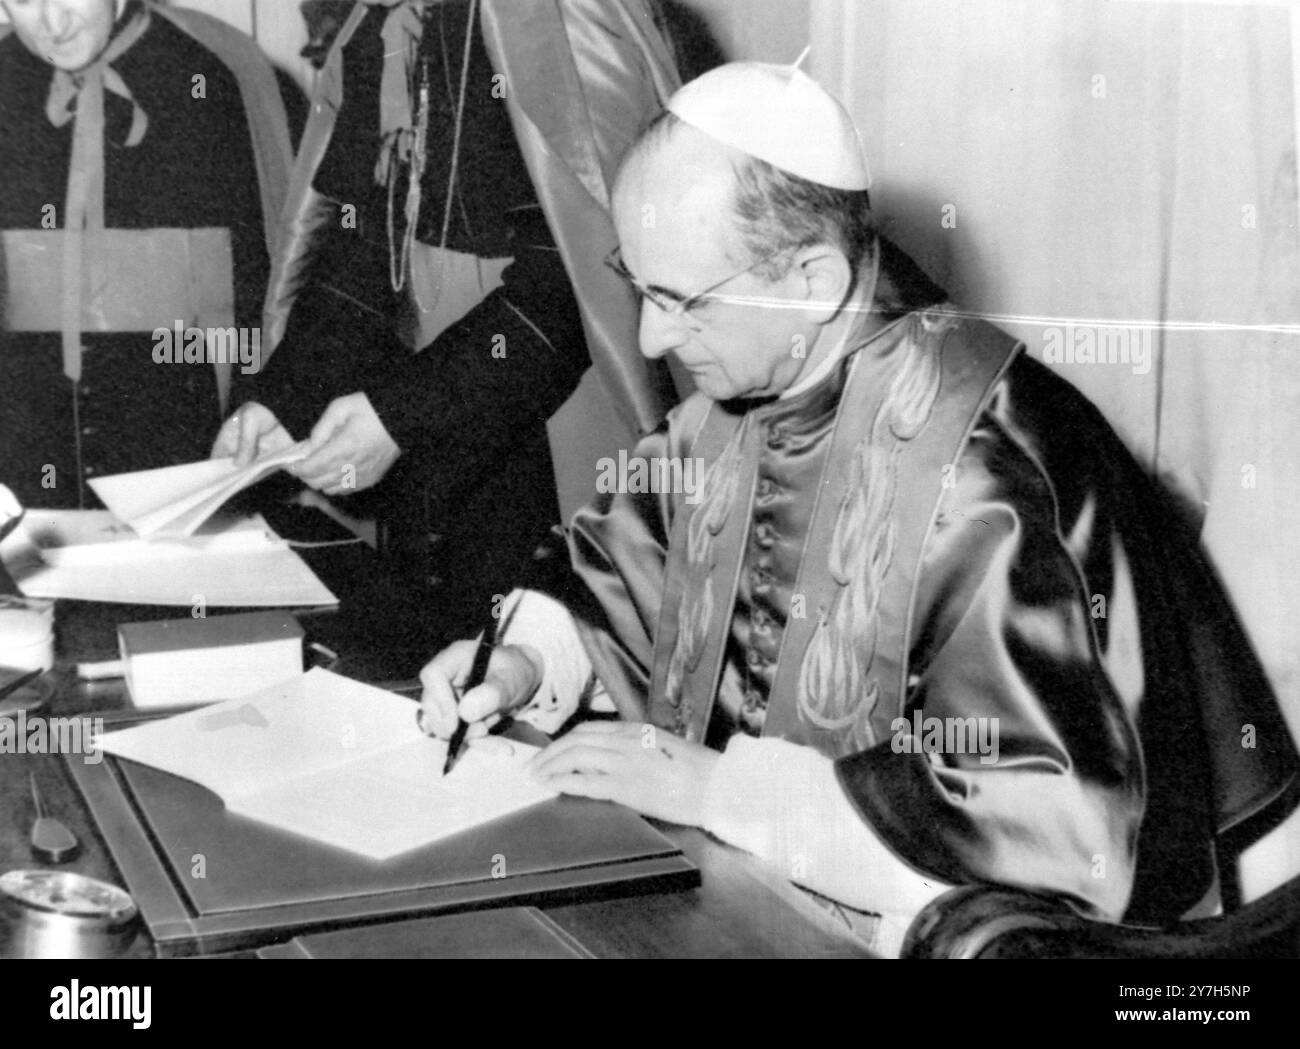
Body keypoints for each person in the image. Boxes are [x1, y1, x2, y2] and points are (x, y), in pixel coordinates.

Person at [417, 61, 1300, 954]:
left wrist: (729, 792)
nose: (650, 339)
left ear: (810, 279)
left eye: (678, 302)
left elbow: (1055, 833)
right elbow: (623, 584)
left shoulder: (986, 468)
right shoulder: (722, 411)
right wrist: (525, 659)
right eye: (637, 286)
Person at [212, 0, 680, 654]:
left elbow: (581, 277)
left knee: (535, 672)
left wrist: (406, 414)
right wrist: (285, 394)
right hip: (415, 421)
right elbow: (359, 249)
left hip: (552, 421)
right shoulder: (381, 22)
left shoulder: (561, 18)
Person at [0, 0, 293, 509]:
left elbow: (277, 275)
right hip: (26, 455)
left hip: (189, 446)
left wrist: (264, 399)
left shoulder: (218, 70)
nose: (53, 22)